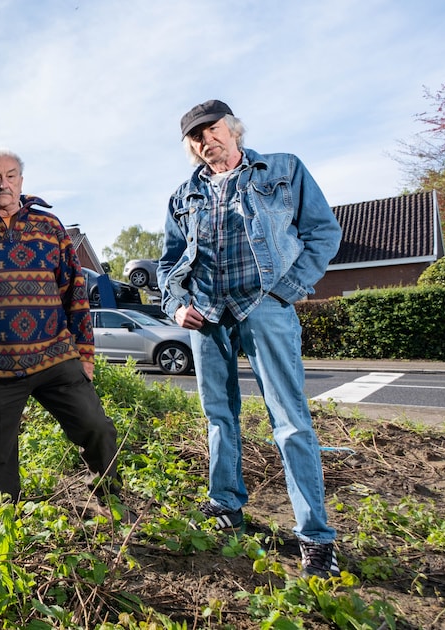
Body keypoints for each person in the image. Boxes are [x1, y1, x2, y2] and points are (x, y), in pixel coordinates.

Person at [157, 100, 343, 578]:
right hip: (207, 315)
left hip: (265, 307)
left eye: (212, 129)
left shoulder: (282, 169)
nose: (206, 141)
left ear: (233, 129)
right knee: (219, 417)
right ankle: (226, 507)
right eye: (195, 137)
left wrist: (288, 289)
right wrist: (176, 304)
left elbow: (322, 232)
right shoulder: (183, 195)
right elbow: (168, 263)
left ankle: (315, 536)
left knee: (291, 420)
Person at [0, 148, 122, 506]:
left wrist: (84, 354)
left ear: (21, 182)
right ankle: (8, 524)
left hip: (54, 357)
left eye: (10, 176)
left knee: (96, 427)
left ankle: (110, 502)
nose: (2, 183)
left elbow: (76, 292)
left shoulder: (50, 227)